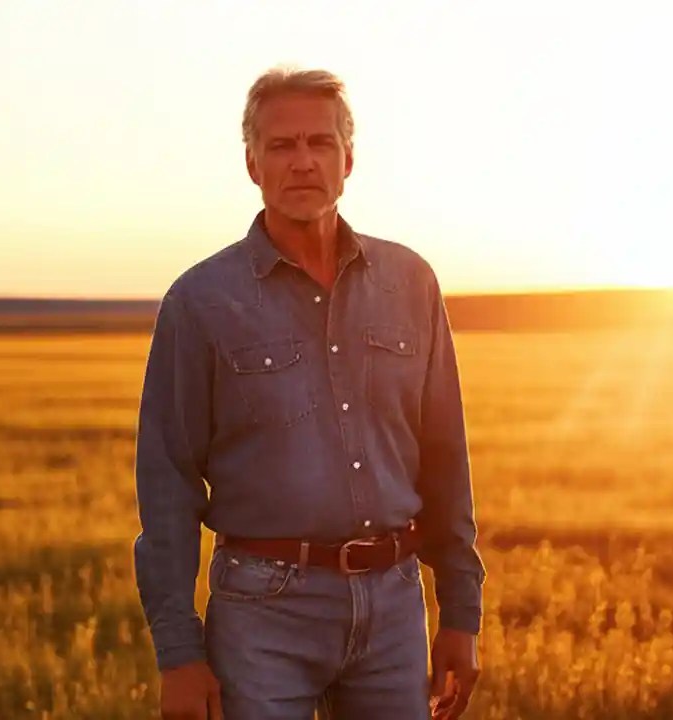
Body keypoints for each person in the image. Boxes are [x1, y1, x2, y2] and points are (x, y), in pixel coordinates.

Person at [133, 66, 486, 720]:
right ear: (251, 164)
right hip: (263, 615)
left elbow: (445, 456)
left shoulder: (410, 282)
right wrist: (179, 653)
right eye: (281, 145)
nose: (302, 162)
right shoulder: (201, 301)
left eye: (320, 143)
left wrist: (461, 612)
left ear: (348, 159)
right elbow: (168, 483)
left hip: (393, 607)